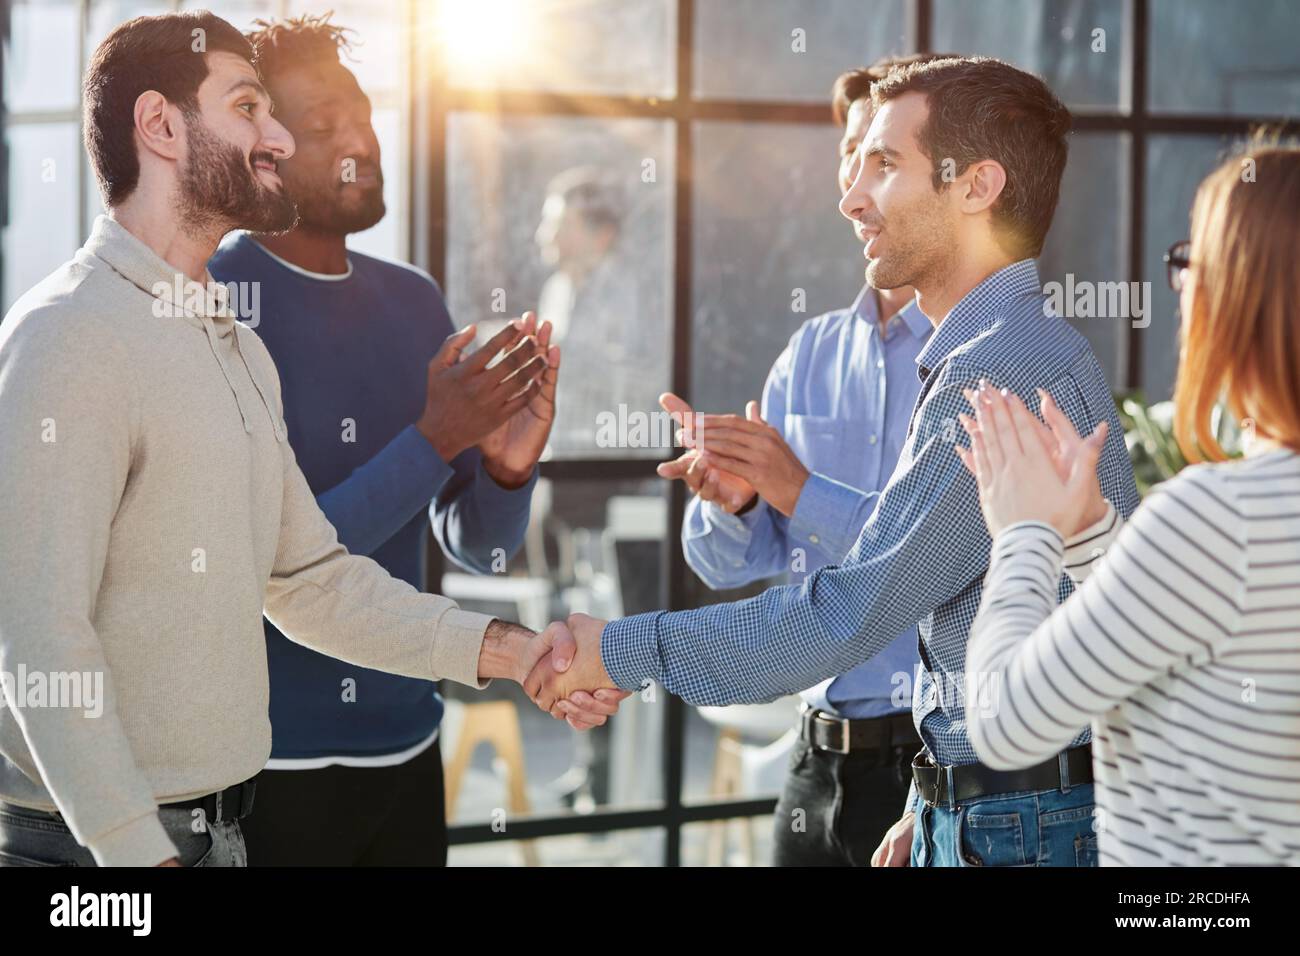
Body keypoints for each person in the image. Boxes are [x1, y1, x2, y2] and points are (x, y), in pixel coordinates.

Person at [531, 56, 1142, 868]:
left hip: (1025, 821)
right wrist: (935, 796)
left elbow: (845, 615)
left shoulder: (996, 371)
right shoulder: (1009, 351)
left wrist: (618, 650)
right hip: (991, 804)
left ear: (976, 186)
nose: (850, 197)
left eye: (885, 165)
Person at [0, 11, 566, 868]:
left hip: (221, 828)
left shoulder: (232, 344)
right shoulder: (68, 333)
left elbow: (306, 579)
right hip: (102, 850)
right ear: (159, 126)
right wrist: (134, 853)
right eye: (249, 109)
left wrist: (512, 653)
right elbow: (36, 630)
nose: (275, 137)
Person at [206, 14, 570, 867]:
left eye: (361, 114)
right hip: (266, 772)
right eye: (323, 126)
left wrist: (508, 470)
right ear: (263, 146)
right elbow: (280, 568)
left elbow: (476, 548)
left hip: (408, 751)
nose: (359, 141)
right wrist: (436, 435)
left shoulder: (413, 300)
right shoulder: (218, 300)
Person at [959, 146, 1300, 866]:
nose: (1179, 285)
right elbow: (1197, 645)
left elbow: (1003, 723)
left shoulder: (1218, 517)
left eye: (1190, 262)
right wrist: (1088, 533)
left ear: (1237, 296)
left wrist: (1022, 533)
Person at [656, 54, 949, 867]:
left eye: (883, 158)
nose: (855, 180)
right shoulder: (811, 353)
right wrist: (737, 503)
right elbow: (729, 562)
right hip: (813, 765)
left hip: (932, 770)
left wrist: (798, 486)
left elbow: (938, 566)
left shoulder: (981, 357)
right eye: (851, 153)